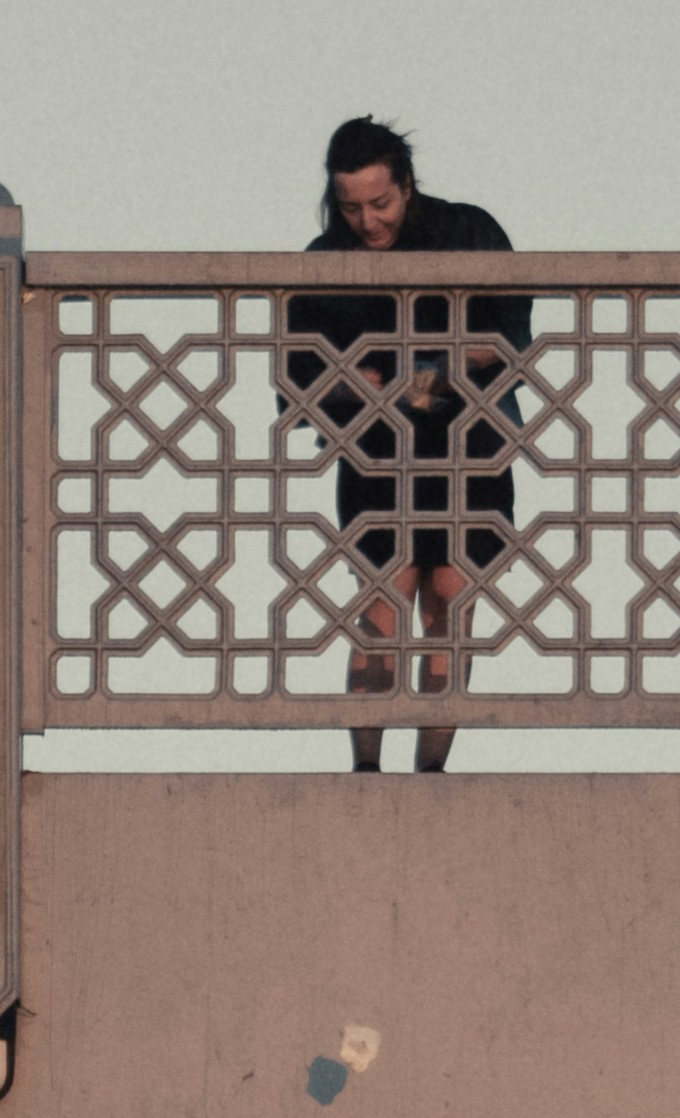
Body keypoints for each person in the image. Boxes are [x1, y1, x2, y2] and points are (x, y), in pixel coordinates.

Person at [286, 117, 526, 775]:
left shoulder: (470, 232)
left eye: (380, 203)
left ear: (407, 184)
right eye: (352, 206)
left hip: (470, 450)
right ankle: (365, 771)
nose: (368, 220)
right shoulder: (325, 261)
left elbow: (510, 341)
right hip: (375, 458)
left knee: (451, 604)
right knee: (380, 609)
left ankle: (430, 776)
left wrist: (424, 375)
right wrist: (351, 381)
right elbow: (296, 378)